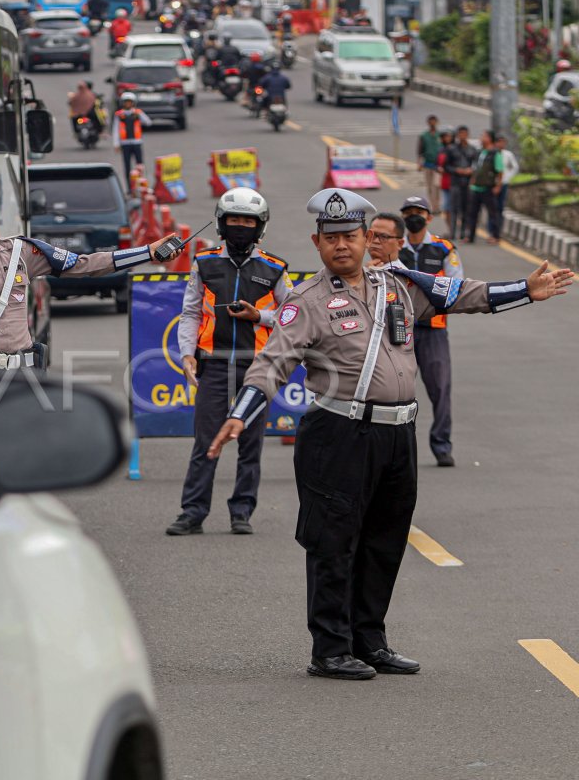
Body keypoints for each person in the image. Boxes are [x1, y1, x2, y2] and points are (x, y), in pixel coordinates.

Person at [207, 188, 573, 680]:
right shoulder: (306, 302)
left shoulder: (398, 284)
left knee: (385, 540)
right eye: (331, 238)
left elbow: (459, 295)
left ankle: (370, 640)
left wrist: (526, 291)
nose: (342, 246)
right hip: (338, 433)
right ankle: (331, 649)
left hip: (397, 433)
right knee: (334, 542)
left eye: (350, 237)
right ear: (317, 243)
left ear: (366, 240)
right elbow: (272, 364)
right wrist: (242, 413)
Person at [0, 188, 174, 382]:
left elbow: (85, 265)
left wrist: (147, 252)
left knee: (33, 454)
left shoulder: (22, 250)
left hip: (25, 373)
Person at [167, 189, 292, 537]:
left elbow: (293, 315)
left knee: (251, 444)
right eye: (234, 220)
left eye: (247, 221)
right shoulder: (204, 263)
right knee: (205, 442)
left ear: (259, 226)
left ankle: (242, 511)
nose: (240, 227)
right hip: (215, 365)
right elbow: (191, 312)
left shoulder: (275, 267)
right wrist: (187, 354)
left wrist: (260, 316)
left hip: (257, 368)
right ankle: (192, 513)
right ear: (222, 224)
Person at [374, 197, 463, 466]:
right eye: (408, 212)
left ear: (428, 217)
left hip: (433, 329)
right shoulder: (393, 245)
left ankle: (441, 445)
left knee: (439, 387)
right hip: (397, 326)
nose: (414, 216)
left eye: (419, 212)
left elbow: (456, 288)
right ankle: (391, 448)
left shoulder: (444, 249)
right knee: (393, 388)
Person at [464, 130, 504, 244]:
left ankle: (495, 236)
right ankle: (470, 236)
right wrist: (472, 182)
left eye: (484, 136)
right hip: (476, 187)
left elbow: (500, 171)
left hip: (488, 187)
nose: (481, 138)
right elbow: (476, 168)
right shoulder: (479, 152)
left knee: (492, 213)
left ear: (490, 138)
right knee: (472, 213)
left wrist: (498, 186)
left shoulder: (495, 153)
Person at [442, 125, 477, 241]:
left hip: (467, 183)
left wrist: (471, 171)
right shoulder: (451, 149)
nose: (463, 136)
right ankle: (452, 232)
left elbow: (476, 164)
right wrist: (457, 170)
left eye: (465, 134)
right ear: (457, 135)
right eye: (460, 134)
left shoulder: (472, 149)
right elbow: (446, 166)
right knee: (453, 208)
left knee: (466, 209)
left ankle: (463, 232)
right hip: (455, 182)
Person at [112, 92, 152, 185]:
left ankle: (142, 184)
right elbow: (115, 130)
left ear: (133, 103)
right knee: (127, 167)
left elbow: (148, 122)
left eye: (130, 102)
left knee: (140, 165)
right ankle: (130, 187)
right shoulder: (119, 115)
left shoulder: (137, 113)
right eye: (126, 102)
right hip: (125, 143)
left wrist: (139, 116)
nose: (128, 104)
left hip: (136, 142)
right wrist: (116, 144)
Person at [493, 134, 520, 239]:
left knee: (500, 207)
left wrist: (507, 178)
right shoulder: (493, 153)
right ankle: (491, 230)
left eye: (503, 142)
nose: (501, 144)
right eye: (499, 142)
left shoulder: (508, 154)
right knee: (492, 208)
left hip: (503, 184)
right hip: (492, 184)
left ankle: (498, 230)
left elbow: (514, 167)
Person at [416, 115, 442, 216]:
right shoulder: (424, 136)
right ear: (428, 123)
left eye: (434, 121)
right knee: (430, 187)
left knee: (437, 186)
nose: (432, 123)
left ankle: (437, 206)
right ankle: (432, 206)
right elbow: (420, 150)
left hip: (438, 166)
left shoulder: (440, 135)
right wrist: (419, 163)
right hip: (427, 164)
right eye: (430, 121)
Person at [436, 129, 455, 234]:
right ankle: (450, 229)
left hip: (456, 182)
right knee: (447, 208)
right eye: (445, 136)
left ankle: (457, 229)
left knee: (456, 208)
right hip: (445, 181)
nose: (447, 139)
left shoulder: (456, 149)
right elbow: (437, 163)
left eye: (449, 136)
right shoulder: (441, 150)